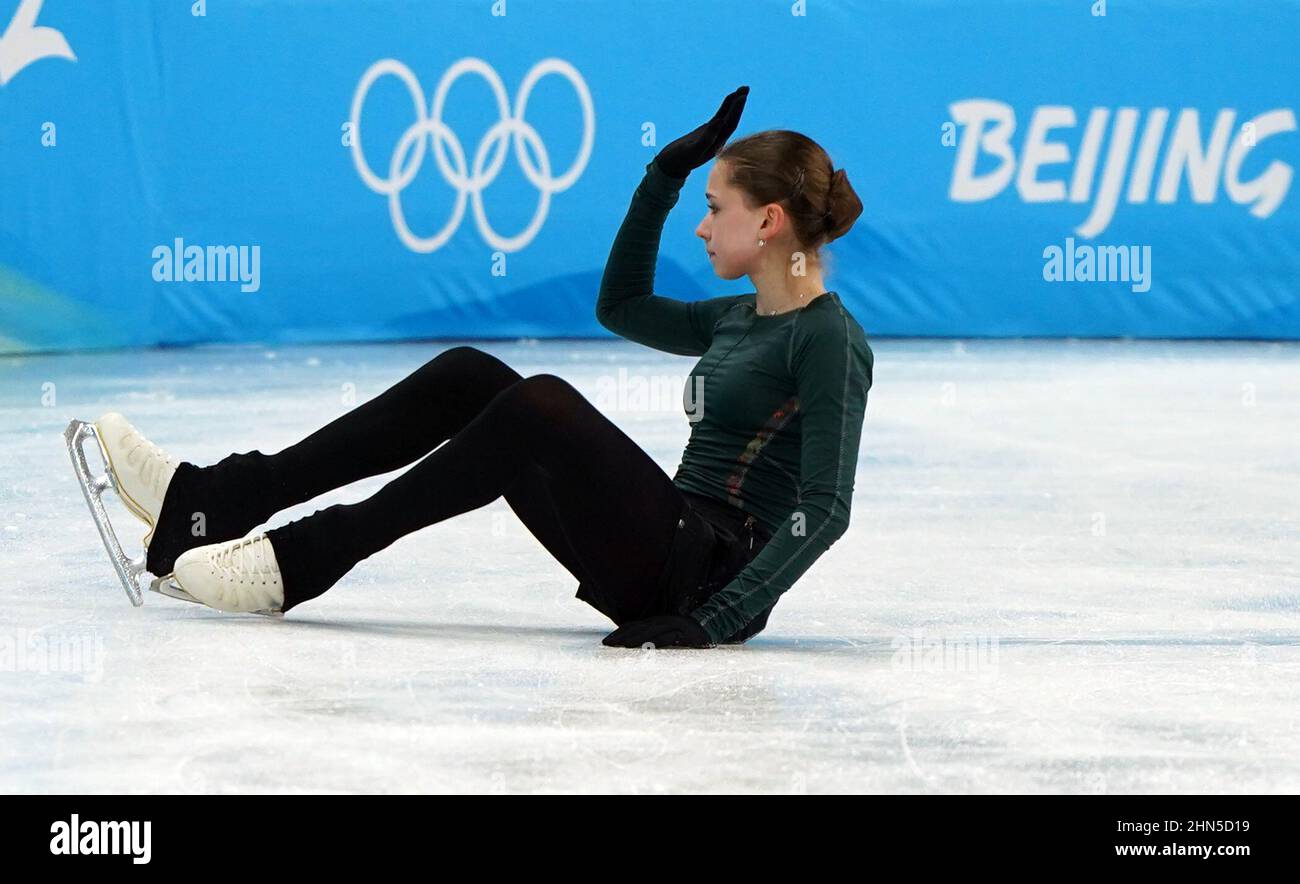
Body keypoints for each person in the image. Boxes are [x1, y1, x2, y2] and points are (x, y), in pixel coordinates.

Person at [88, 85, 873, 648]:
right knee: (471, 374)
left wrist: (716, 618)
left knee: (543, 404)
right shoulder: (737, 318)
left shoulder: (828, 338)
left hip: (706, 577)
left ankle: (304, 559)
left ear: (768, 221)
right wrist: (660, 181)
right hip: (665, 537)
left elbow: (823, 507)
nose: (702, 227)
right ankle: (211, 500)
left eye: (713, 206)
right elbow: (622, 306)